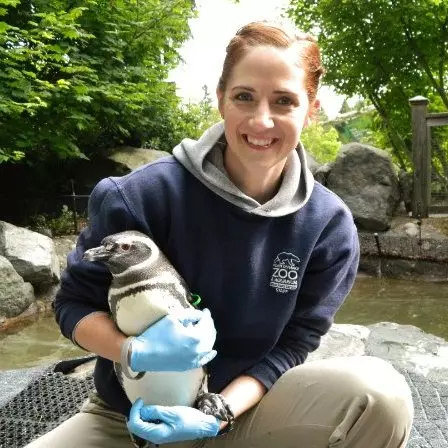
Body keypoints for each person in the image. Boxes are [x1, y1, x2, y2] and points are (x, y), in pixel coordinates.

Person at [26, 21, 413, 448]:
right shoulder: (141, 196)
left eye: (284, 101)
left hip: (242, 414)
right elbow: (73, 305)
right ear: (220, 100)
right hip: (127, 417)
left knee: (380, 397)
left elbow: (295, 343)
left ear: (311, 109)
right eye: (244, 97)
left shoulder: (328, 227)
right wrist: (131, 352)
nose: (262, 120)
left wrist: (219, 412)